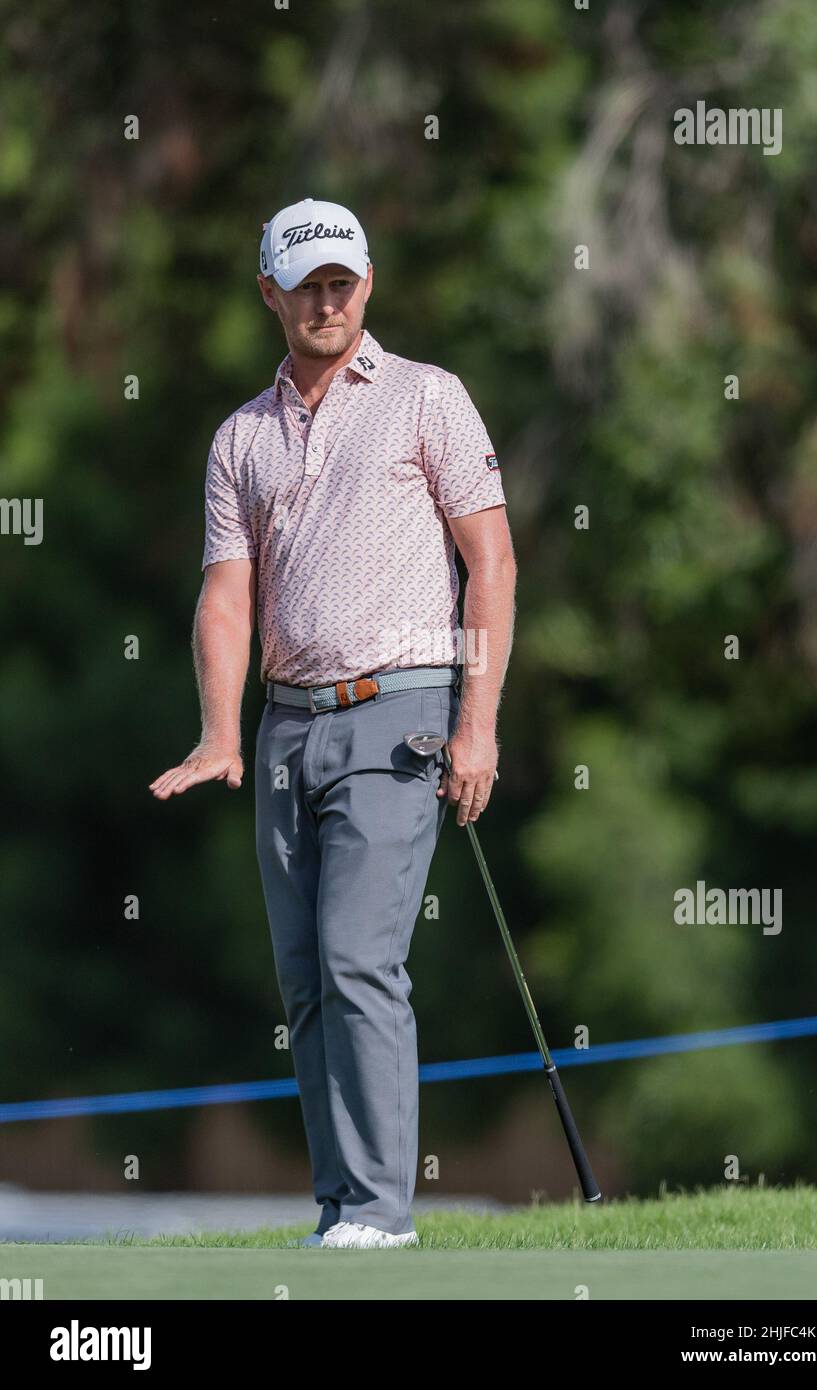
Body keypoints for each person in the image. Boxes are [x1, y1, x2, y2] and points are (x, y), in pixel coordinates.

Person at [149, 197, 517, 1249]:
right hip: (284, 730)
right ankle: (337, 1204)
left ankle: (379, 1212)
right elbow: (227, 597)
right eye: (305, 283)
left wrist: (476, 723)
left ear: (367, 283)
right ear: (268, 290)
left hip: (397, 713)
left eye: (341, 280)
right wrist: (221, 733)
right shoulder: (241, 439)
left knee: (359, 957)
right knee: (307, 979)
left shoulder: (426, 400)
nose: (326, 299)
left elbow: (488, 562)